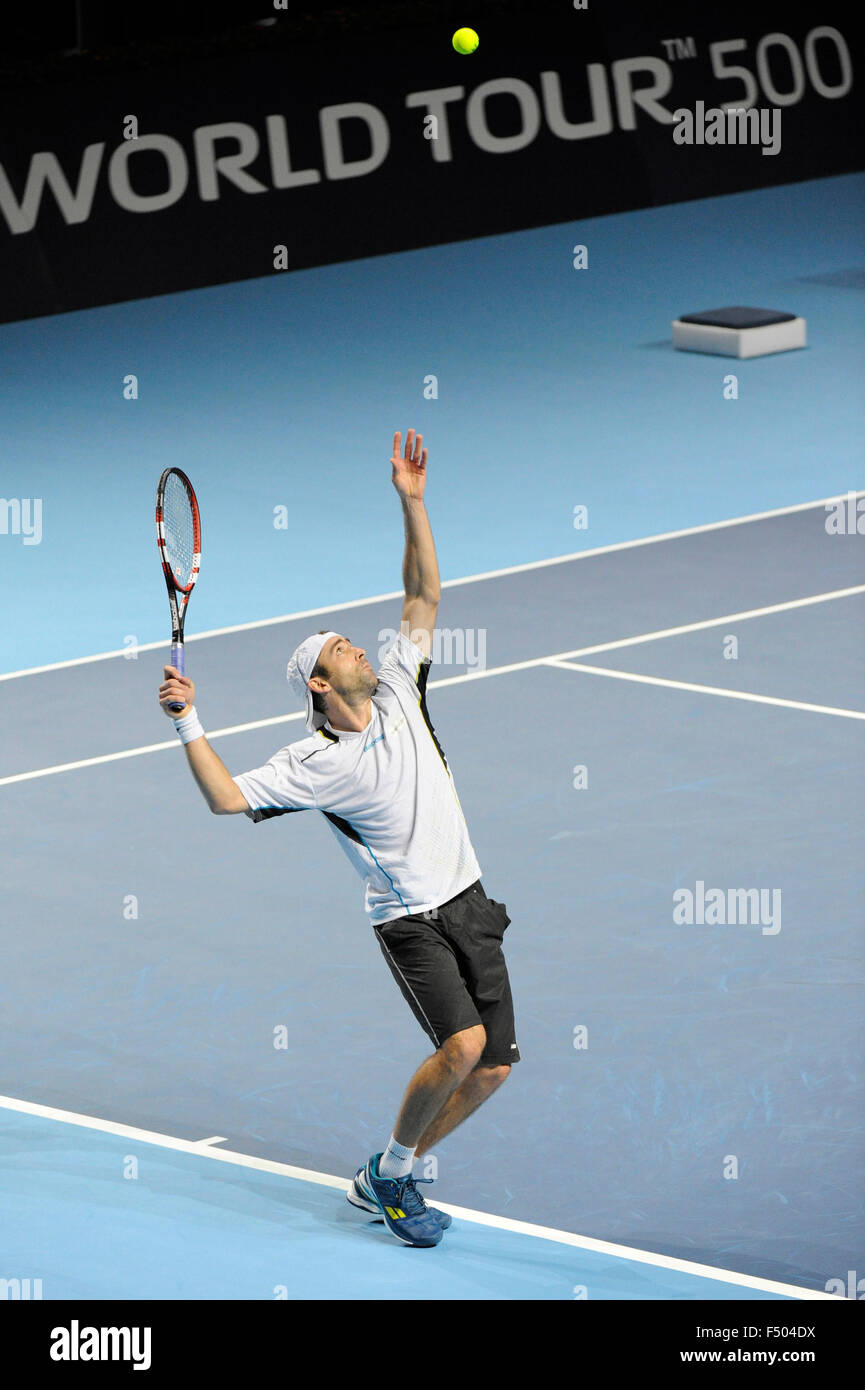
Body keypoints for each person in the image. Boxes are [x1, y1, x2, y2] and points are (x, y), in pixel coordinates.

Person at [158, 429, 520, 1248]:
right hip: (410, 920)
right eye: (339, 648)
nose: (359, 645)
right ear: (320, 683)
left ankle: (386, 1174)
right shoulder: (309, 763)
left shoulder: (399, 687)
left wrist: (412, 502)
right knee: (461, 1045)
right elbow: (224, 798)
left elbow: (422, 596)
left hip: (468, 900)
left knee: (493, 1066)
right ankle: (394, 1175)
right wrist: (189, 720)